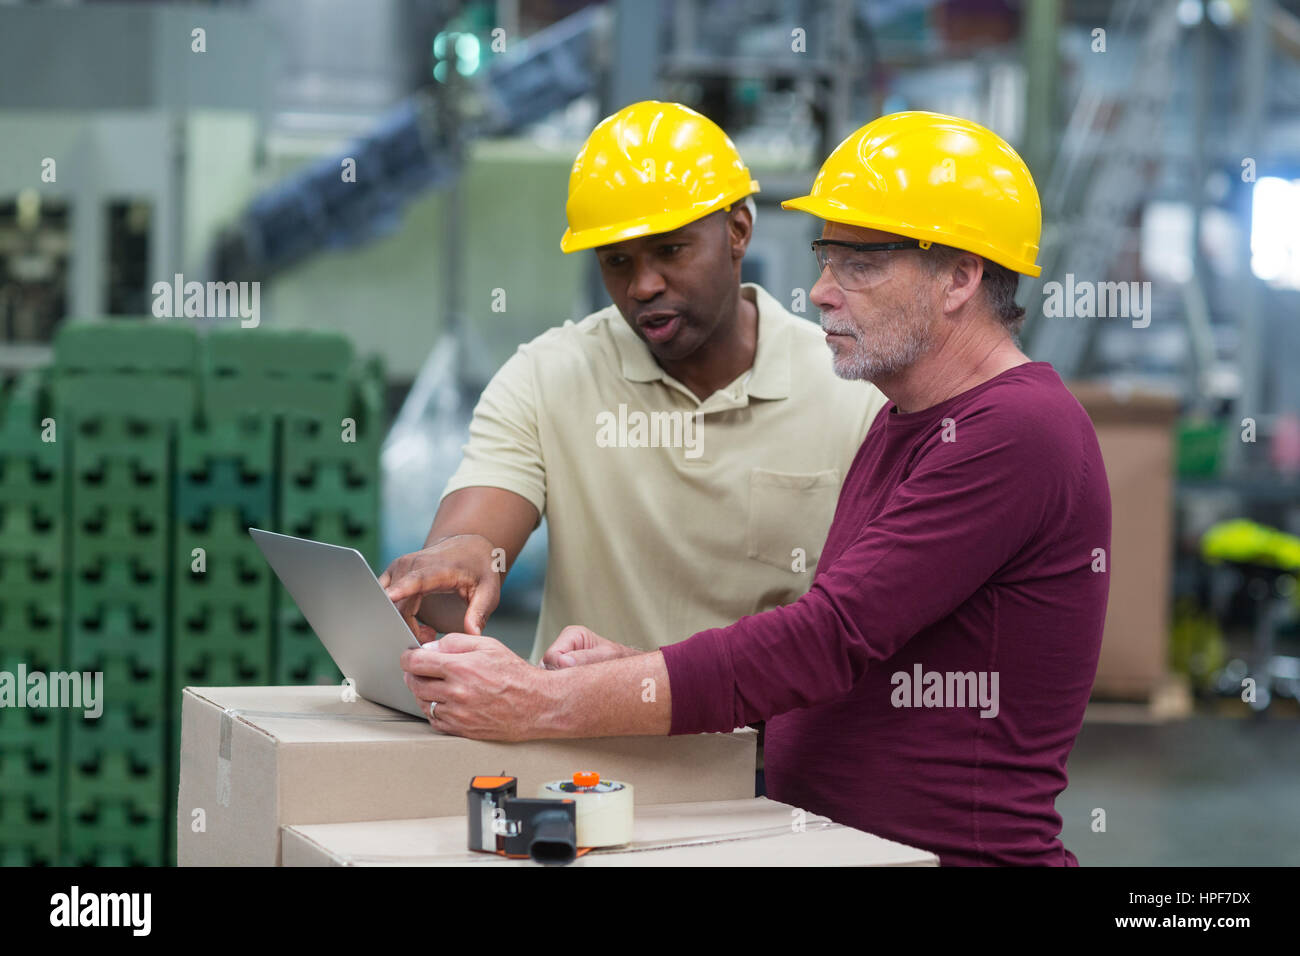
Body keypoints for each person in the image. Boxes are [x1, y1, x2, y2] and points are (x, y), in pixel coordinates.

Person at [399, 111, 1112, 867]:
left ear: (960, 276)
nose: (822, 292)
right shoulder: (903, 422)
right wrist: (628, 672)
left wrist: (540, 704)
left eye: (859, 265)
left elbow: (826, 641)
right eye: (825, 260)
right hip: (833, 844)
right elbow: (845, 675)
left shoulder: (1017, 431)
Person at [380, 101, 885, 663]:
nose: (643, 286)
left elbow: (861, 625)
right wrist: (456, 560)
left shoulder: (851, 390)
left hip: (763, 748)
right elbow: (473, 538)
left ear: (738, 231)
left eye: (670, 251)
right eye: (616, 261)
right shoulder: (548, 377)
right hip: (578, 742)